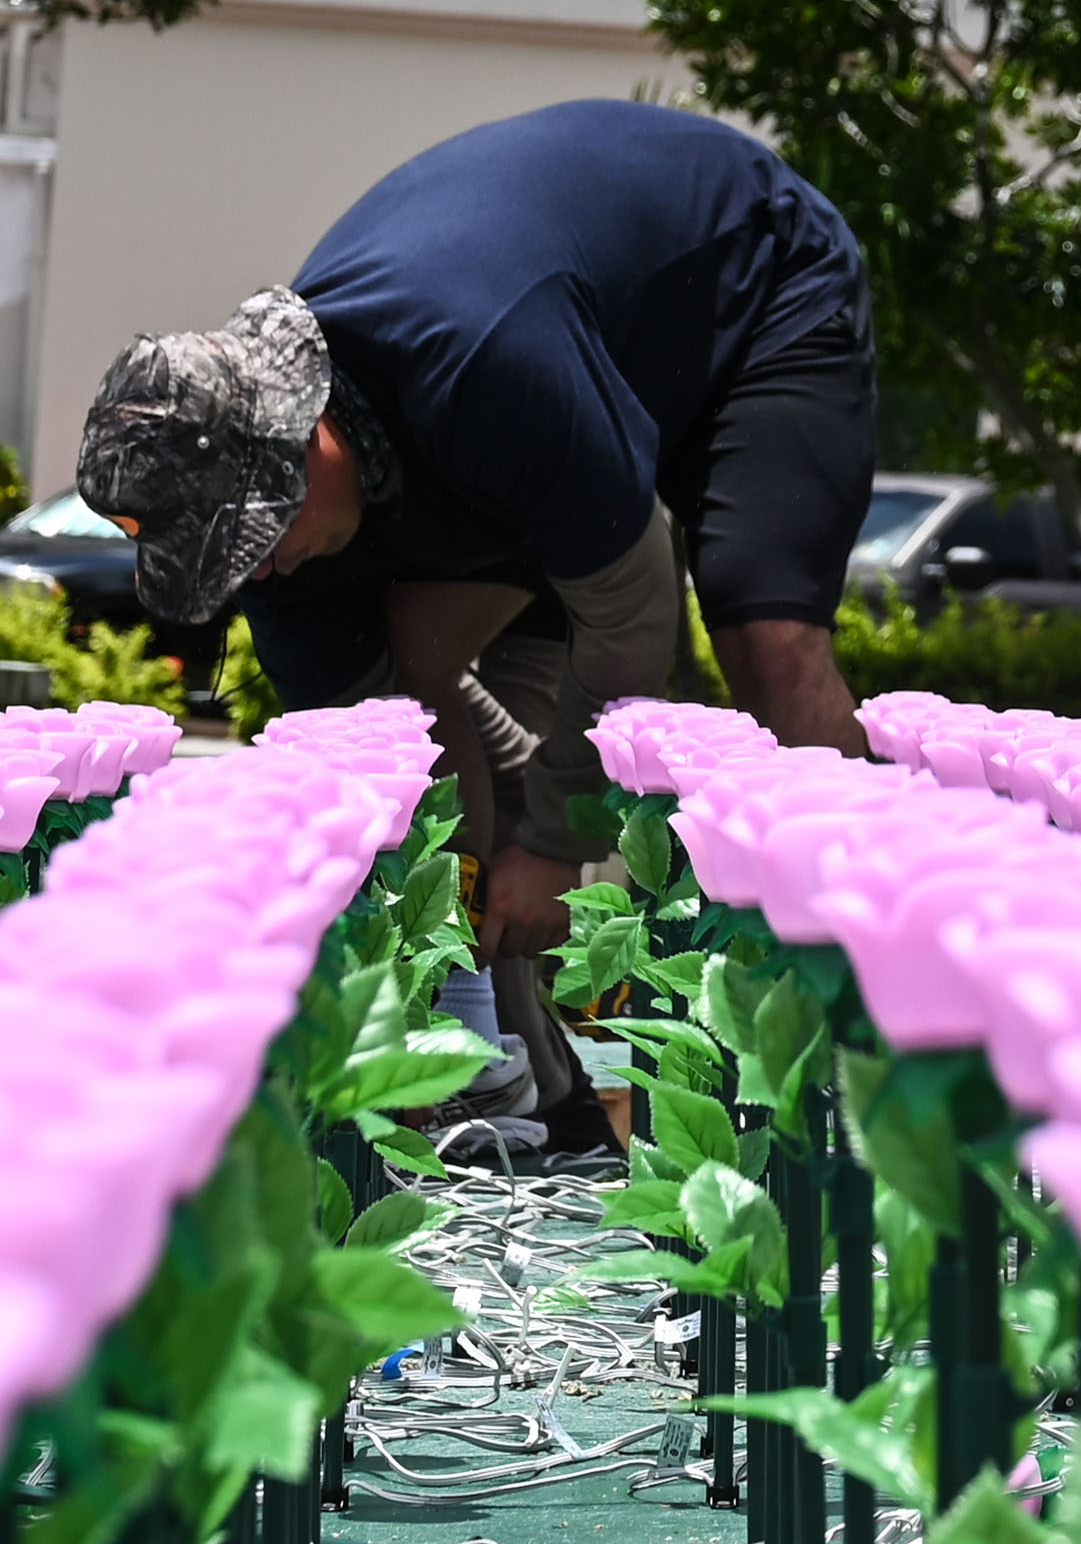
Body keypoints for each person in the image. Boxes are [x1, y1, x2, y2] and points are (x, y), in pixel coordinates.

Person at [79, 101, 879, 1124]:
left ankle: (872, 1015)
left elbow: (634, 620)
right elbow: (381, 757)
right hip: (562, 410)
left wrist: (550, 843)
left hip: (749, 286)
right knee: (416, 663)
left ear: (306, 438)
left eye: (257, 532)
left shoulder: (481, 362)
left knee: (765, 642)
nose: (261, 568)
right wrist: (417, 964)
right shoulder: (290, 551)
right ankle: (519, 1067)